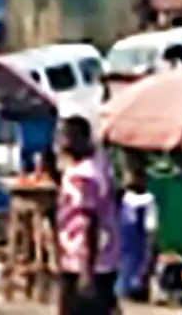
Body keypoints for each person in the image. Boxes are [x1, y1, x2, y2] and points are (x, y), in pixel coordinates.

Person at [55, 116, 122, 315]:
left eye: (68, 137)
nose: (62, 143)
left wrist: (86, 271)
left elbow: (88, 221)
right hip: (98, 259)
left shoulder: (84, 177)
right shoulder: (94, 166)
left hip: (85, 261)